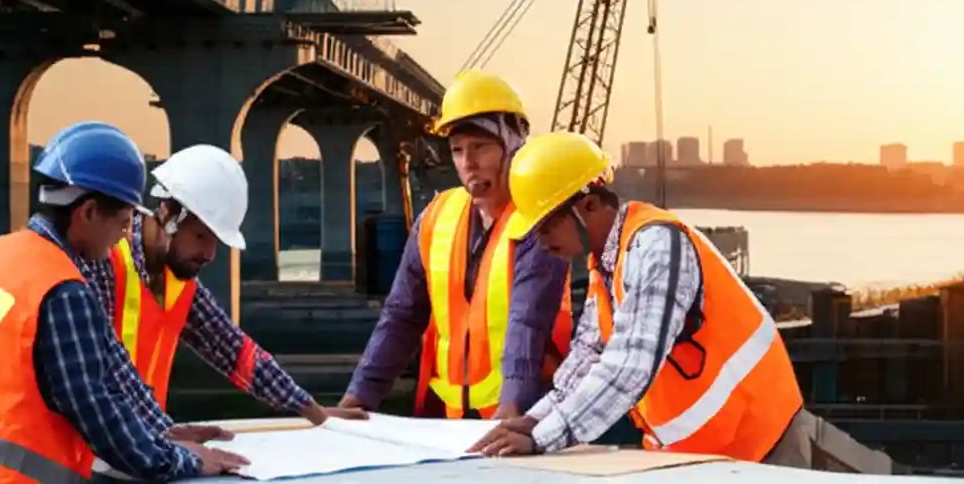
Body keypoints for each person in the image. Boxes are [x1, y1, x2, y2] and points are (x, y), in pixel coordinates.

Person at [0, 122, 247, 483]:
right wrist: (188, 463)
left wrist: (163, 431)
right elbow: (97, 411)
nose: (126, 236)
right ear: (88, 212)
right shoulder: (62, 291)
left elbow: (112, 366)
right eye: (123, 223)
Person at [471, 131, 811, 467]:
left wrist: (542, 438)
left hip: (760, 444)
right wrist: (532, 420)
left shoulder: (657, 247)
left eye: (546, 227)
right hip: (699, 454)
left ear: (587, 205)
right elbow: (590, 354)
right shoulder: (605, 264)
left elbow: (630, 364)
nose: (541, 243)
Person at [339, 70, 574, 419]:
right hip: (449, 420)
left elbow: (528, 325)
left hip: (523, 417)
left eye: (480, 147)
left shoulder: (538, 222)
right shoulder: (436, 217)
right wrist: (358, 398)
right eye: (457, 150)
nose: (468, 162)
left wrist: (511, 414)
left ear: (513, 144)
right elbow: (402, 316)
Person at [80, 142, 368, 425]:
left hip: (139, 446)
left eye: (215, 241)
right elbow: (98, 372)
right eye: (200, 237)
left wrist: (313, 411)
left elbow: (235, 351)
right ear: (168, 216)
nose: (210, 254)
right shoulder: (105, 262)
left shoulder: (179, 284)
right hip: (101, 447)